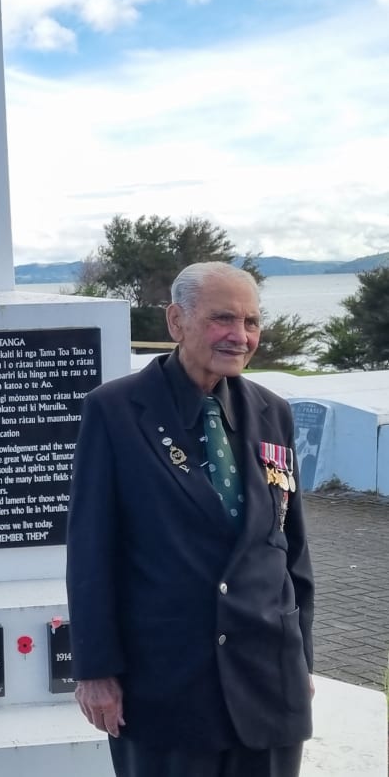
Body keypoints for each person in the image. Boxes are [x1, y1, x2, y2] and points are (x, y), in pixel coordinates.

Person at [66, 262, 314, 777]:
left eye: (251, 322)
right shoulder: (114, 412)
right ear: (176, 321)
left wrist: (303, 659)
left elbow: (291, 547)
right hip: (165, 688)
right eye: (222, 319)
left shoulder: (273, 412)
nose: (240, 336)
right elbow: (91, 553)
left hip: (269, 683)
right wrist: (95, 671)